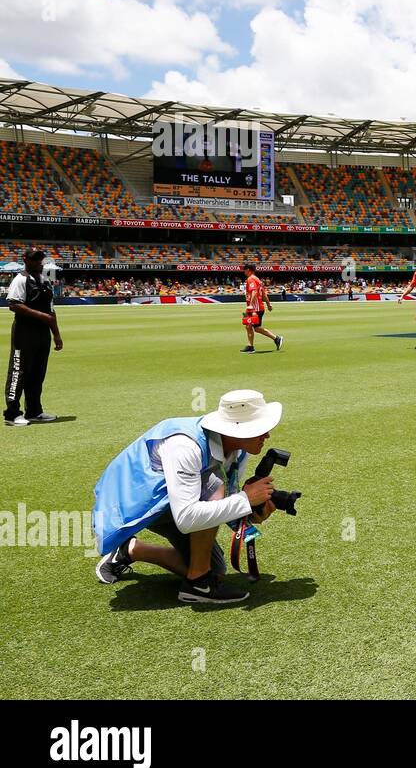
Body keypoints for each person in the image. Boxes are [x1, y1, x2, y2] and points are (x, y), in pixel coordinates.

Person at [92, 390, 282, 605]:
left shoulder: (239, 448)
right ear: (236, 429)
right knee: (211, 493)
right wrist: (245, 500)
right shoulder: (185, 445)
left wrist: (248, 515)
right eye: (260, 429)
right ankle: (197, 584)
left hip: (175, 501)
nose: (267, 435)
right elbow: (188, 518)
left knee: (216, 571)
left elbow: (227, 498)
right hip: (134, 504)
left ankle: (131, 550)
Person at [5, 248, 62, 426]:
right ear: (25, 260)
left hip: (42, 333)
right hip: (24, 332)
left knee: (37, 374)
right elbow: (14, 305)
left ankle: (34, 411)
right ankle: (12, 414)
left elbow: (51, 311)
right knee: (18, 372)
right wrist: (42, 316)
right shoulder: (20, 279)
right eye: (34, 259)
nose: (38, 262)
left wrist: (56, 335)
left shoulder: (45, 280)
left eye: (40, 259)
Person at [241, 263, 282, 354]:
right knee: (252, 327)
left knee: (251, 326)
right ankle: (274, 339)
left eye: (244, 269)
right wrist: (268, 304)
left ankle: (275, 339)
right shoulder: (258, 280)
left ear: (248, 270)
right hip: (259, 307)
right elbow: (264, 294)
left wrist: (250, 305)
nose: (243, 271)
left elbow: (254, 292)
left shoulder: (251, 279)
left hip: (255, 308)